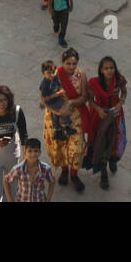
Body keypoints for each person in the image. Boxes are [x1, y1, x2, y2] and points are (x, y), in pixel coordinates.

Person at [44, 48, 89, 193]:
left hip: (74, 116)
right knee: (59, 146)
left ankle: (74, 175)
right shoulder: (54, 74)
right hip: (55, 116)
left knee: (76, 148)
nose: (71, 67)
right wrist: (58, 110)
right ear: (62, 63)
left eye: (74, 64)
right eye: (68, 63)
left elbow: (84, 97)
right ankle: (64, 170)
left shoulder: (81, 75)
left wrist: (70, 103)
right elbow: (43, 97)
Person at [82, 56, 128, 191]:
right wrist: (98, 109)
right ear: (101, 70)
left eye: (111, 68)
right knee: (101, 143)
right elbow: (90, 99)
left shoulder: (119, 80)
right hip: (99, 117)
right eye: (106, 68)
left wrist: (120, 103)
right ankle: (104, 174)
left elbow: (124, 92)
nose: (109, 71)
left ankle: (113, 160)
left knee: (116, 142)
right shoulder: (94, 83)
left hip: (116, 115)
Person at [3, 139, 55, 203]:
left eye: (36, 151)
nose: (33, 154)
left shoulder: (45, 168)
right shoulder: (18, 169)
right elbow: (6, 180)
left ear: (40, 152)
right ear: (25, 153)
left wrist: (48, 199)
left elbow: (52, 181)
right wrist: (10, 200)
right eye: (29, 151)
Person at [39, 60, 77, 141]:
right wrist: (54, 95)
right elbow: (43, 98)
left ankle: (57, 130)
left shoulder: (55, 77)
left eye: (53, 72)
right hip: (51, 102)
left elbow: (59, 84)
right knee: (63, 110)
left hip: (56, 98)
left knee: (54, 115)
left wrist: (61, 89)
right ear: (43, 73)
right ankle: (66, 125)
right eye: (49, 73)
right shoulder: (44, 85)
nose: (52, 75)